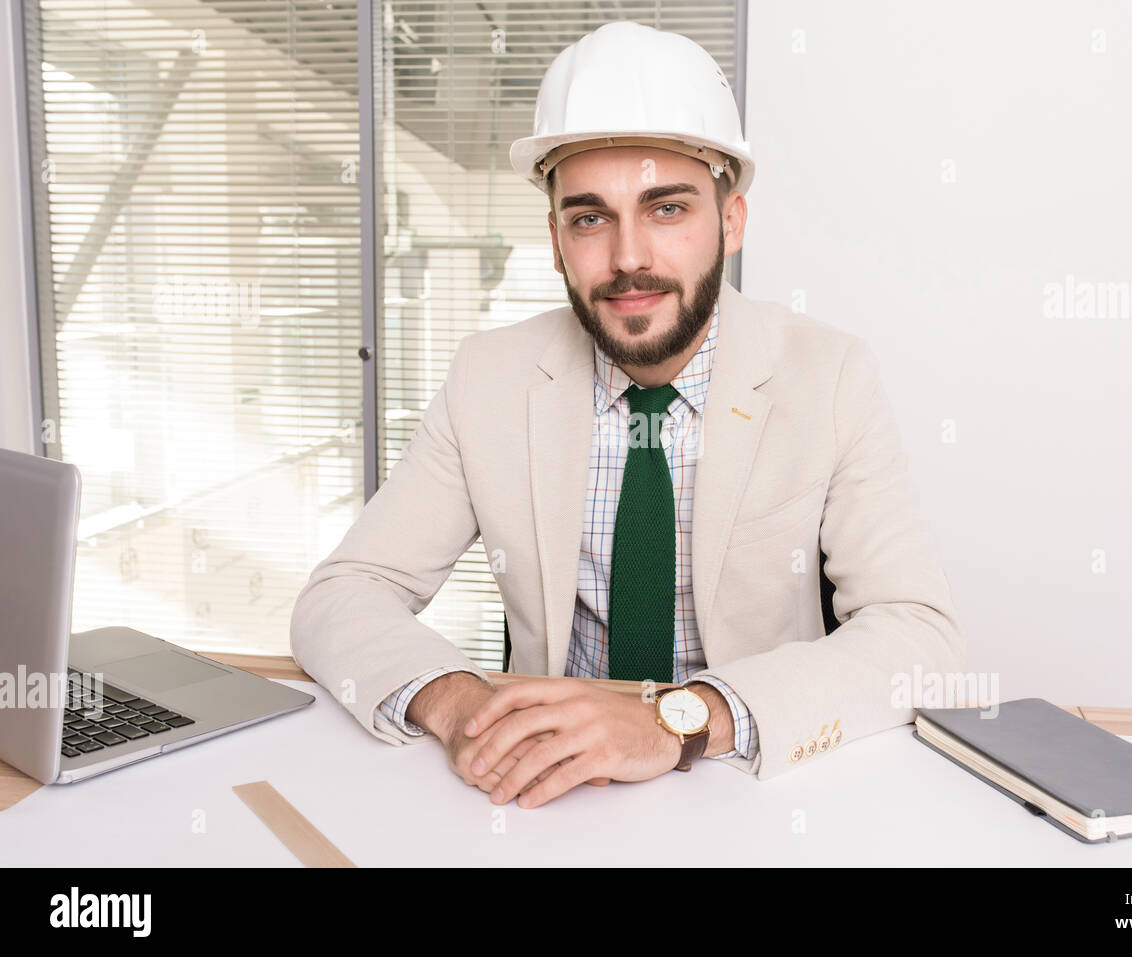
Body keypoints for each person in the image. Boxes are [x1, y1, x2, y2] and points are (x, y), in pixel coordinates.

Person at [290, 20, 965, 810]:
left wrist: (680, 720)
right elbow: (343, 594)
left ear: (732, 220)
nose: (628, 258)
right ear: (554, 240)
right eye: (589, 218)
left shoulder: (830, 375)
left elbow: (922, 637)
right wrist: (459, 700)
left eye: (667, 209)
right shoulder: (491, 379)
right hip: (549, 797)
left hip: (750, 787)